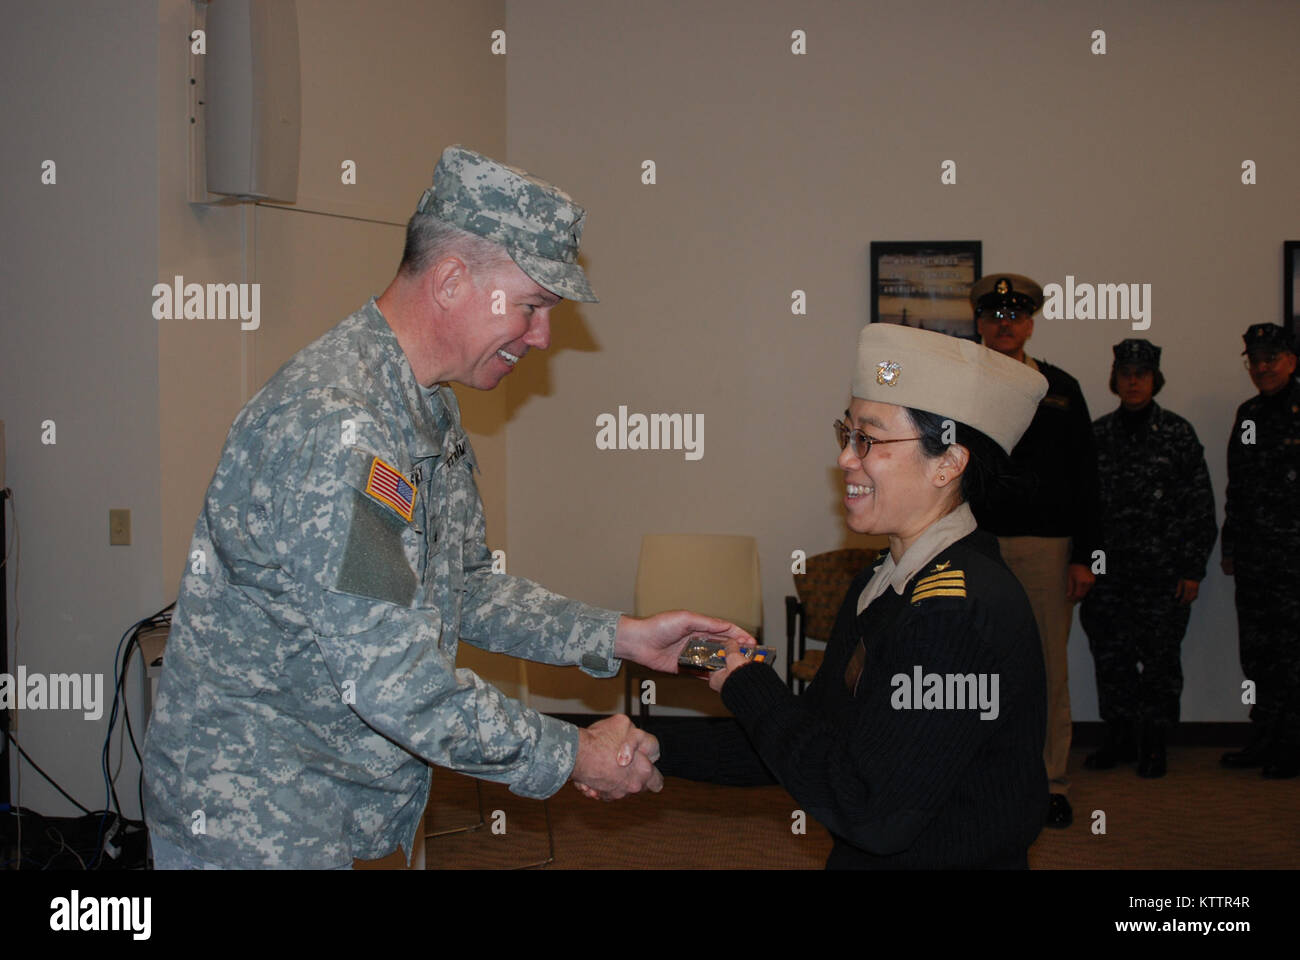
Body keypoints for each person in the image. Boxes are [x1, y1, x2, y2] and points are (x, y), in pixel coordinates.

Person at [142, 145, 751, 869]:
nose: (542, 337)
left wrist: (621, 637)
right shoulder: (342, 426)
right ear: (454, 280)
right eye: (531, 307)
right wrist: (573, 753)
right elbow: (394, 681)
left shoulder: (424, 405)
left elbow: (463, 586)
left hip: (352, 808)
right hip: (259, 823)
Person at [651, 322, 1050, 869]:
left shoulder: (955, 612)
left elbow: (872, 811)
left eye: (870, 438)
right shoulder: (880, 583)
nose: (845, 458)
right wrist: (653, 746)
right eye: (847, 433)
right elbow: (818, 740)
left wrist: (745, 682)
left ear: (949, 463)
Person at [967, 273, 1099, 828]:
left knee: (1046, 668)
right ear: (978, 321)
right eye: (995, 315)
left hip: (1046, 548)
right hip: (973, 545)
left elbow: (1087, 475)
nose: (1005, 324)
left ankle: (1050, 782)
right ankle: (974, 777)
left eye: (1016, 315)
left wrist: (1084, 555)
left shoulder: (1061, 388)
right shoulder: (956, 381)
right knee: (970, 667)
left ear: (1031, 322)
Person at [1078, 339, 1217, 777]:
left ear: (1155, 379)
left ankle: (1154, 741)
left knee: (1159, 661)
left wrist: (1193, 570)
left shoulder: (1178, 434)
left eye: (1142, 373)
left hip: (1163, 574)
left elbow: (1200, 507)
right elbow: (1083, 508)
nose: (1133, 381)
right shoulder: (1096, 436)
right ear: (1114, 380)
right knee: (1111, 658)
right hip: (1108, 575)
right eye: (1125, 373)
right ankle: (1119, 736)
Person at [1220, 322, 1300, 779]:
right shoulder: (1248, 415)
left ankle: (1292, 744)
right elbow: (1240, 485)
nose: (1264, 366)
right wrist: (1231, 546)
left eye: (1272, 357)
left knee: (1293, 656)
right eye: (1256, 359)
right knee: (1258, 654)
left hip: (1294, 561)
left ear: (1291, 359)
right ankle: (1265, 734)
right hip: (1256, 559)